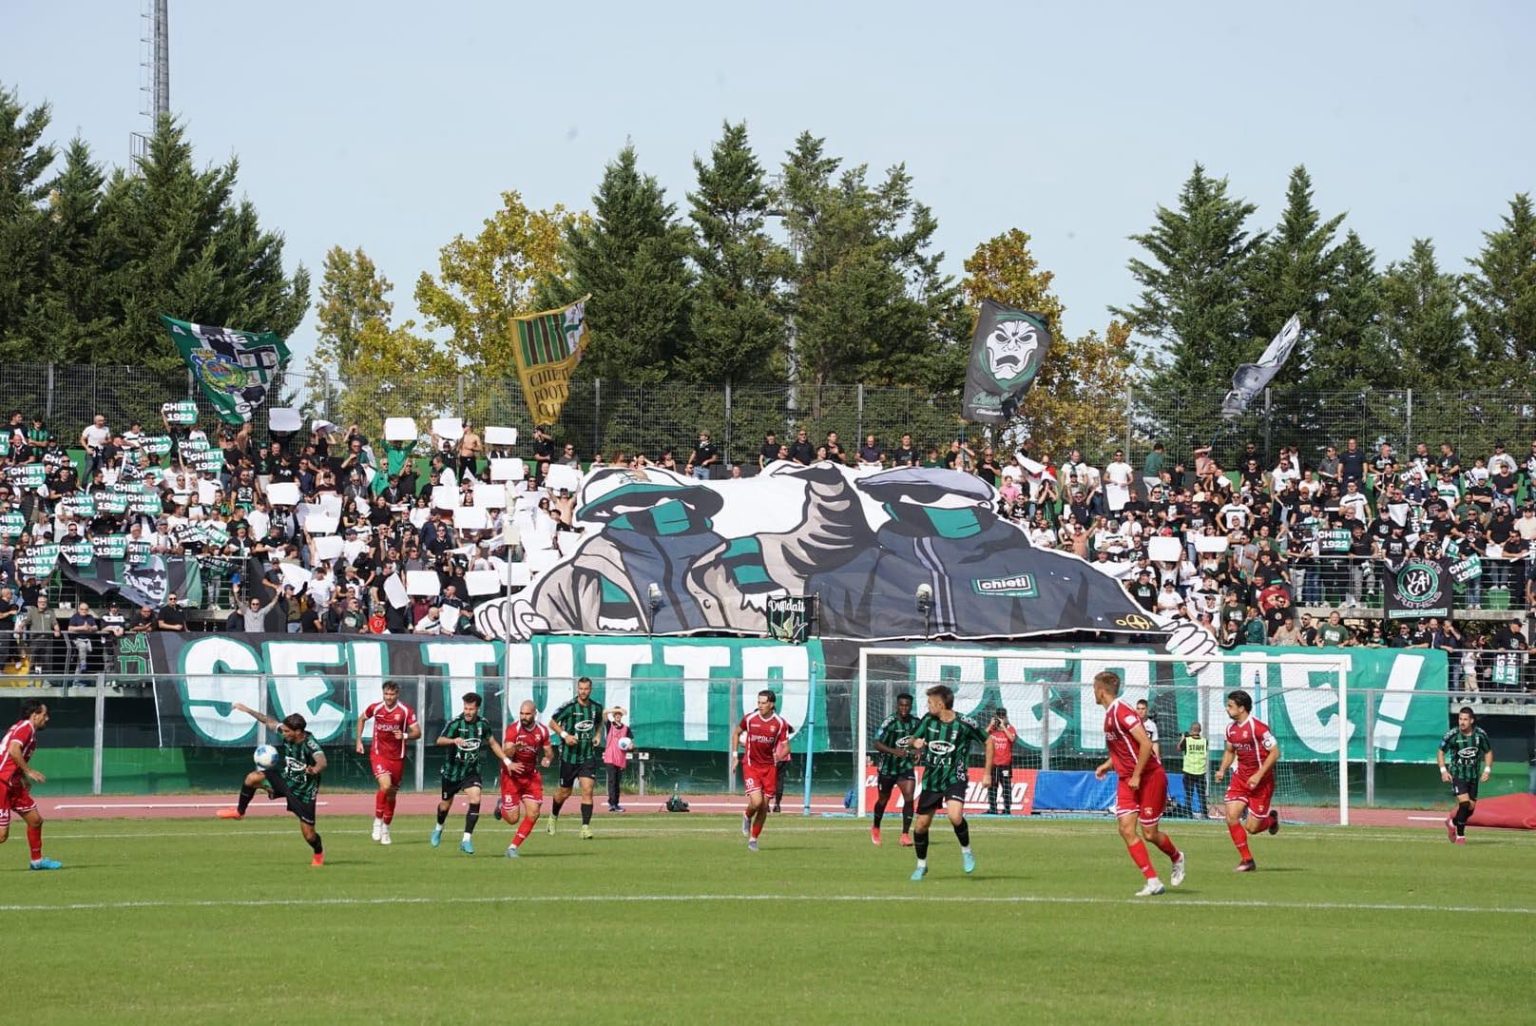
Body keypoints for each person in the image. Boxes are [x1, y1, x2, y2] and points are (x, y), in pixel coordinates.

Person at [1093, 671, 1185, 896]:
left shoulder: (1121, 711)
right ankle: (1153, 881)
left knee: (1150, 833)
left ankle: (1177, 856)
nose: (1093, 692)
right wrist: (1108, 764)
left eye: (1094, 688)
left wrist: (1136, 774)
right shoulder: (1108, 716)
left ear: (1101, 690)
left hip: (1149, 777)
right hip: (1127, 779)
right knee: (1125, 829)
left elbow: (1145, 744)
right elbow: (1123, 750)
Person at [216, 705, 328, 866]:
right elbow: (267, 720)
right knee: (252, 778)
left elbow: (322, 761)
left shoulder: (310, 744)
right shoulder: (287, 732)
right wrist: (246, 710)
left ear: (298, 732)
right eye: (283, 730)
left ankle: (318, 853)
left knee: (309, 836)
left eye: (287, 731)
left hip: (303, 792)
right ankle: (239, 811)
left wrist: (314, 770)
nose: (283, 733)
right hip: (286, 779)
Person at [906, 684, 985, 881]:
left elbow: (989, 741)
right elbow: (912, 739)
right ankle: (921, 866)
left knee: (955, 815)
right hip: (931, 780)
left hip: (954, 777)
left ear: (941, 704)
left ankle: (966, 851)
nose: (927, 706)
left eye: (930, 703)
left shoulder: (965, 723)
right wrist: (914, 743)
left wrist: (988, 773)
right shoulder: (928, 720)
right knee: (921, 826)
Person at [432, 692, 514, 854]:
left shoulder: (483, 724)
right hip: (452, 772)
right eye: (465, 708)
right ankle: (438, 828)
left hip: (471, 771)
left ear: (477, 709)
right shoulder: (456, 723)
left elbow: (492, 743)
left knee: (476, 798)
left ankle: (466, 840)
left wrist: (507, 760)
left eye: (471, 709)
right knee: (444, 806)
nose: (467, 712)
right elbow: (439, 740)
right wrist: (453, 740)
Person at [1216, 689, 1281, 871]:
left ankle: (1271, 820)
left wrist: (1258, 775)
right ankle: (1247, 860)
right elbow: (1230, 752)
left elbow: (1275, 753)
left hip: (1262, 783)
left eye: (1230, 706)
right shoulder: (1231, 729)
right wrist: (1222, 769)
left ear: (1242, 708)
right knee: (1231, 817)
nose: (1227, 709)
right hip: (1240, 780)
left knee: (1251, 828)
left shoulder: (1258, 728)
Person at [355, 680, 420, 845]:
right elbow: (361, 719)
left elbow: (417, 732)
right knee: (385, 786)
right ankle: (377, 821)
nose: (388, 697)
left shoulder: (405, 711)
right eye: (386, 694)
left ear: (397, 694)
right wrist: (359, 741)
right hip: (379, 754)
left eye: (392, 694)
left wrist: (404, 736)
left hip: (397, 757)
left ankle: (386, 828)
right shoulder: (375, 708)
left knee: (391, 794)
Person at [0, 700, 61, 870]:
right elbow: (13, 750)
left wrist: (22, 777)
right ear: (34, 715)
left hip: (13, 783)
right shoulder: (26, 727)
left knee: (35, 820)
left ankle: (37, 861)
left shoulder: (27, 729)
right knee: (2, 835)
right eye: (44, 714)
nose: (47, 718)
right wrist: (28, 771)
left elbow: (11, 757)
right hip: (2, 783)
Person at [731, 689, 793, 851]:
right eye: (758, 702)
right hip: (751, 765)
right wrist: (736, 755)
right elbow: (736, 733)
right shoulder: (750, 719)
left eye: (763, 703)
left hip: (769, 769)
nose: (760, 705)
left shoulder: (780, 723)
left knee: (764, 807)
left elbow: (786, 747)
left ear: (772, 704)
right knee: (757, 802)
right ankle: (746, 815)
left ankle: (753, 839)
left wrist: (778, 757)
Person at [547, 676, 606, 839]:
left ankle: (585, 828)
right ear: (577, 689)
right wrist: (565, 735)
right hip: (569, 756)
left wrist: (598, 735)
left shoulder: (596, 708)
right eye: (581, 688)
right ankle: (553, 817)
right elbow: (552, 723)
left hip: (587, 756)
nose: (583, 691)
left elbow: (601, 721)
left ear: (590, 689)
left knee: (587, 790)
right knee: (564, 792)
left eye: (586, 689)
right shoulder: (569, 707)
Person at [498, 699, 552, 858]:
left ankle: (512, 847)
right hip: (511, 777)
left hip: (531, 777)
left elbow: (549, 751)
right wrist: (515, 747)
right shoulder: (513, 729)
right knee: (513, 819)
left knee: (534, 812)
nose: (524, 716)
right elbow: (505, 753)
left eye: (527, 714)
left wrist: (547, 759)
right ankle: (501, 807)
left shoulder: (542, 731)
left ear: (535, 714)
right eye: (522, 713)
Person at [1437, 706, 1494, 845]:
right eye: (1460, 719)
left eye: (1465, 719)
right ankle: (1460, 836)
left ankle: (1452, 822)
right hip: (1458, 774)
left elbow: (1488, 752)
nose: (1462, 722)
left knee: (1470, 809)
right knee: (1464, 803)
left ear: (1472, 721)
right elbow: (1440, 752)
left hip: (1473, 776)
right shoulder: (1452, 735)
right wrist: (1444, 771)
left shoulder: (1480, 735)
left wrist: (1487, 770)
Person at [870, 692, 918, 847]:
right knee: (883, 799)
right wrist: (894, 751)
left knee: (909, 797)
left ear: (911, 706)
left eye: (907, 705)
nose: (904, 708)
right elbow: (876, 743)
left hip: (905, 767)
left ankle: (905, 835)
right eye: (901, 705)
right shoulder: (889, 722)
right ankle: (876, 827)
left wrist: (919, 751)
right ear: (897, 705)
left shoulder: (915, 722)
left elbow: (921, 739)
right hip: (887, 768)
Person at [984, 707, 1018, 816]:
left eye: (1003, 716)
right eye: (999, 716)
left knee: (1006, 788)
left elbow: (1012, 739)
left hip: (1005, 765)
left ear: (1006, 717)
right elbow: (982, 737)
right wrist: (990, 725)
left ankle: (1007, 810)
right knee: (992, 787)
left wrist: (1003, 727)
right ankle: (993, 809)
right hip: (993, 764)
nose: (1001, 718)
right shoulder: (992, 730)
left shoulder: (1010, 728)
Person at [601, 707, 634, 813]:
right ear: (614, 715)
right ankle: (612, 804)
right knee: (611, 781)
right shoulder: (610, 725)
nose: (618, 716)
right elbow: (604, 713)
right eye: (616, 714)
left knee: (617, 782)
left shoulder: (626, 729)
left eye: (620, 714)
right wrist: (615, 709)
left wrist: (631, 747)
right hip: (610, 757)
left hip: (620, 759)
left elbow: (631, 743)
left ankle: (616, 803)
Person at [1177, 721, 1210, 818]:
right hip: (1200, 771)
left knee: (1188, 794)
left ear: (1191, 730)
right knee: (1202, 795)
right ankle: (1204, 813)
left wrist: (1183, 737)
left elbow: (1179, 748)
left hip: (1189, 771)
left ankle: (1188, 813)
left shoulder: (1187, 740)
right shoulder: (1205, 741)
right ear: (1200, 730)